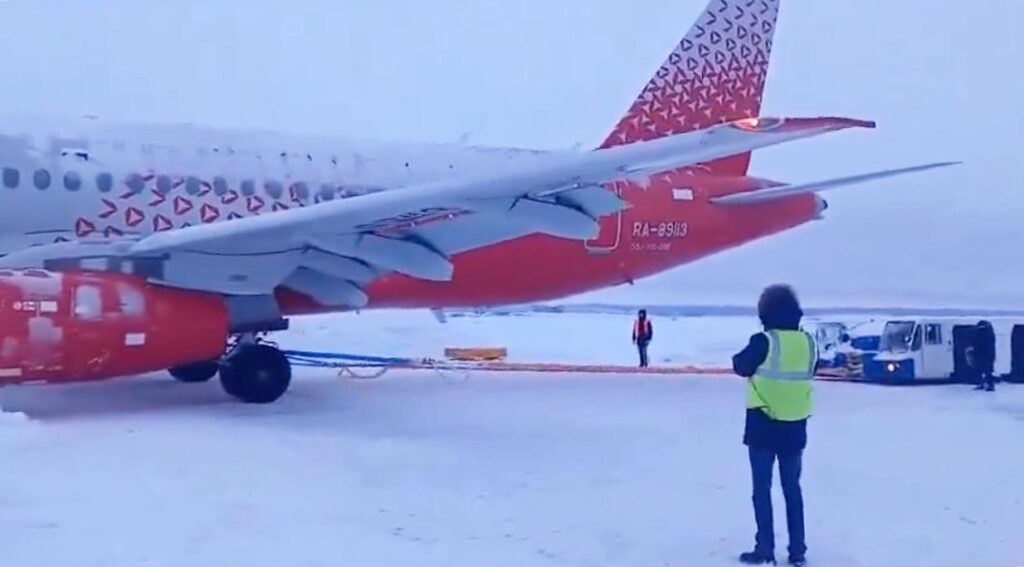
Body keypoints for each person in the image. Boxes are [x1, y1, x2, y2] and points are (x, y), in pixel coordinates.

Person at [732, 284, 817, 566]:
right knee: (792, 489)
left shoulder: (763, 341)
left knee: (762, 489)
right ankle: (797, 552)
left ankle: (765, 548)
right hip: (795, 428)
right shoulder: (808, 343)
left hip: (763, 427)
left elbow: (741, 366)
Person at [973, 320, 996, 391]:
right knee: (984, 370)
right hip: (986, 355)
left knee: (987, 371)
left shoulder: (986, 334)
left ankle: (990, 385)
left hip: (987, 355)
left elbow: (983, 345)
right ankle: (985, 384)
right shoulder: (989, 333)